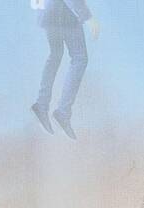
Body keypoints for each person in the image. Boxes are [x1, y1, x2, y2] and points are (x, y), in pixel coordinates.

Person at [31, 0, 98, 140]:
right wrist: (88, 18)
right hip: (65, 16)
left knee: (55, 54)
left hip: (48, 14)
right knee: (80, 58)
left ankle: (41, 104)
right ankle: (63, 111)